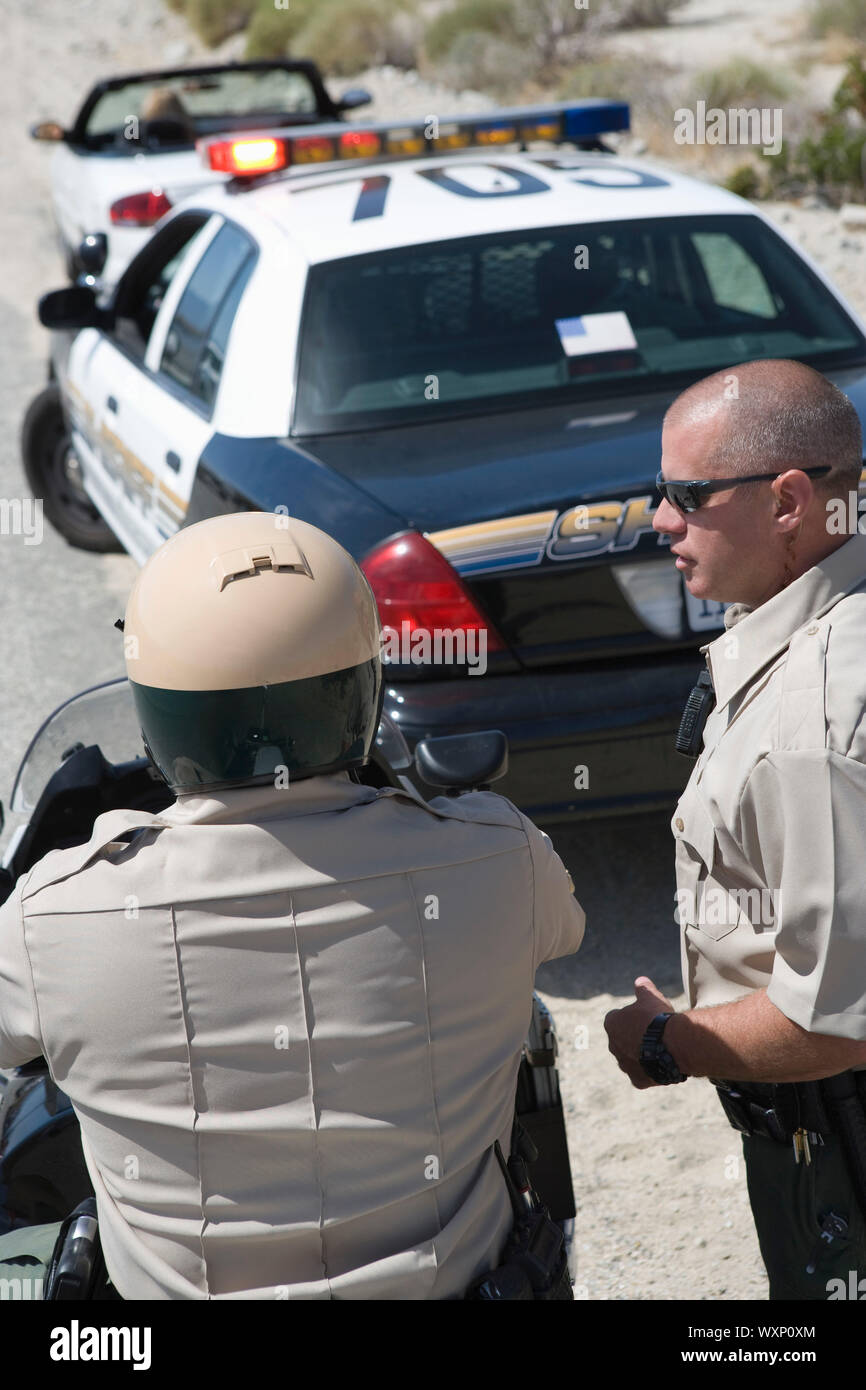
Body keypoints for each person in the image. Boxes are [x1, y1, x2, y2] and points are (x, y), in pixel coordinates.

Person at [0, 511, 584, 1299]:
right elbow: (568, 931)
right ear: (362, 688)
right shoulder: (498, 855)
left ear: (159, 709)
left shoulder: (53, 919)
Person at [604, 357, 866, 1300]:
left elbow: (838, 1019)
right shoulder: (824, 619)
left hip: (839, 1142)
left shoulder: (817, 715)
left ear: (790, 501)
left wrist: (666, 1043)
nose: (660, 521)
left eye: (687, 494)